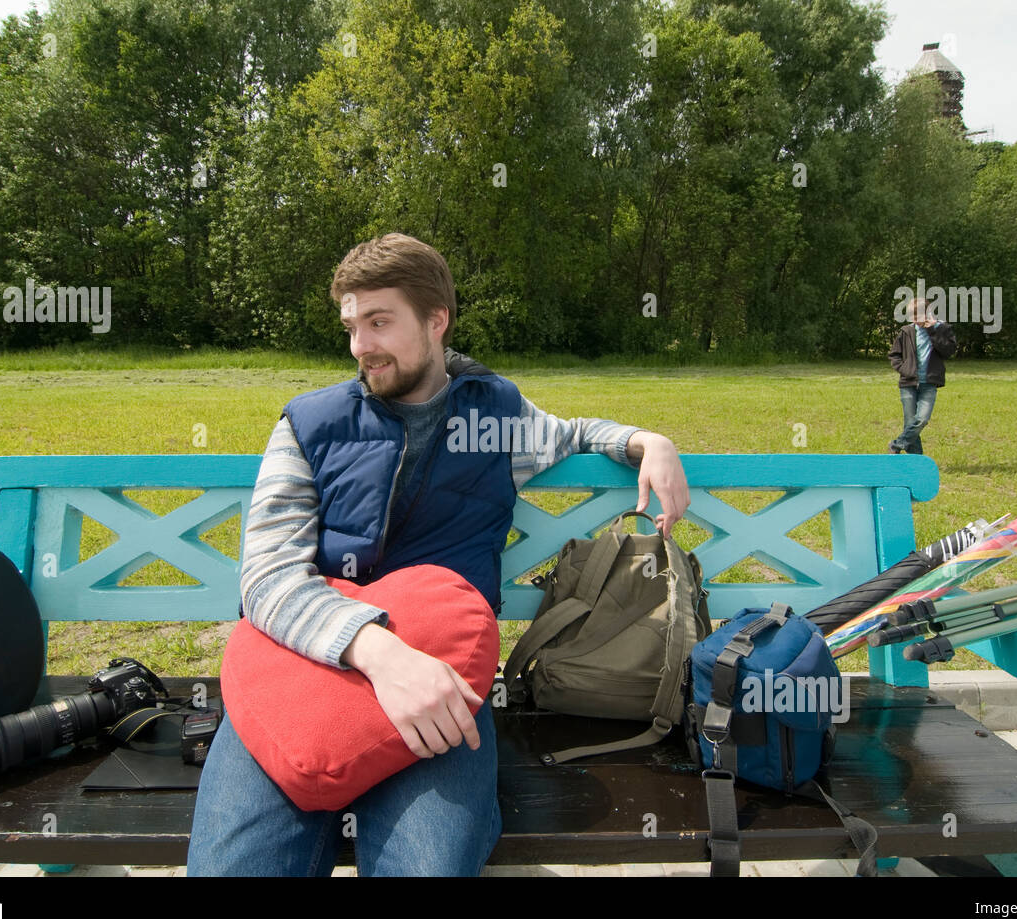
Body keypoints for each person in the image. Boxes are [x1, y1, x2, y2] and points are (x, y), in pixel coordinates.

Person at [187, 232, 690, 876]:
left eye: (379, 322)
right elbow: (266, 576)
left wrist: (651, 441)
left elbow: (579, 433)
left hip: (443, 680)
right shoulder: (309, 426)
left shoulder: (497, 415)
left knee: (426, 870)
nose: (360, 346)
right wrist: (379, 652)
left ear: (436, 319)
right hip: (302, 673)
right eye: (351, 326)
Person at [887, 297, 956, 455]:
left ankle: (896, 445)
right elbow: (894, 355)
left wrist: (932, 331)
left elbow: (948, 351)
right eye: (912, 315)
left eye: (918, 315)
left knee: (922, 419)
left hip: (929, 384)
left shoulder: (942, 329)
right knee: (910, 423)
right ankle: (916, 460)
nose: (915, 319)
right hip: (908, 383)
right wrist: (905, 369)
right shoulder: (906, 331)